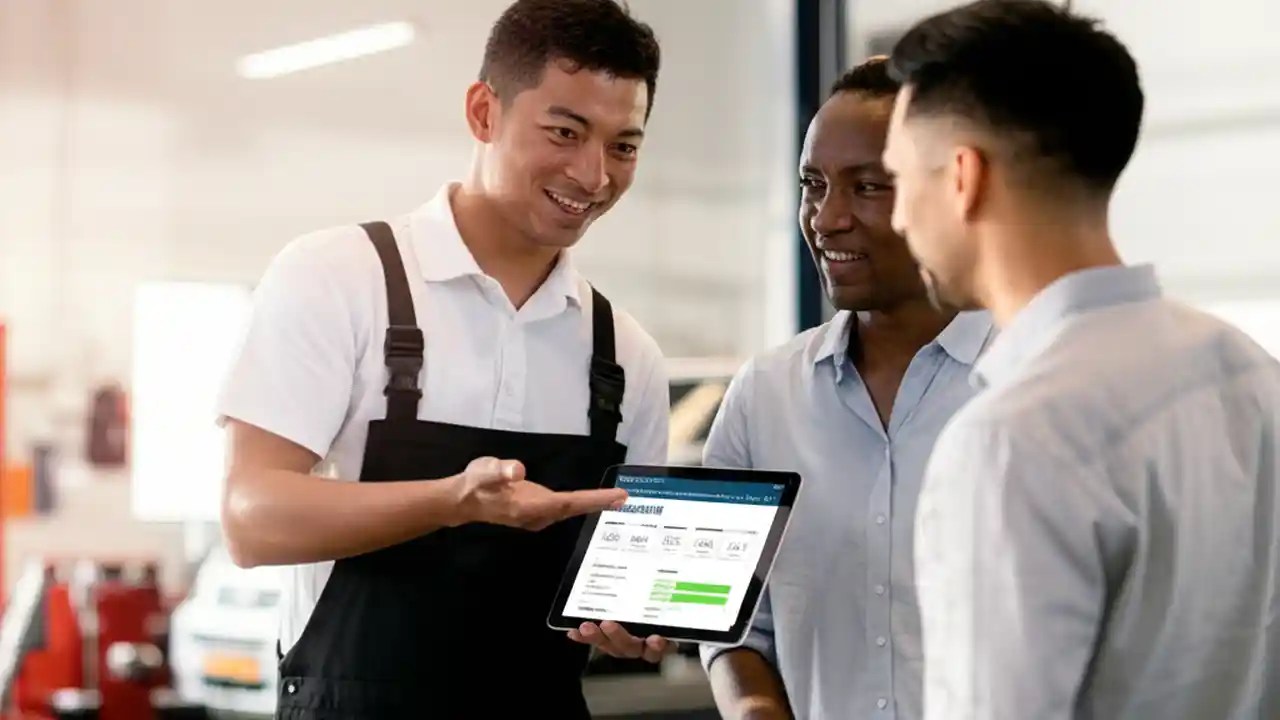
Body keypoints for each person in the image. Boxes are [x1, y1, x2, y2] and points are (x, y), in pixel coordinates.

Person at [214, 1, 668, 717]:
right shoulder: (339, 278)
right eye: (564, 132)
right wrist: (452, 501)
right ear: (485, 112)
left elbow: (620, 573)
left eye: (624, 146)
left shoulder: (625, 355)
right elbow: (251, 519)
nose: (593, 174)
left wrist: (630, 622)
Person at [883, 1, 1280, 718]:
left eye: (898, 179)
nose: (900, 217)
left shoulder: (1013, 439)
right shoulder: (1249, 371)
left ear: (964, 177)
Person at [574, 57, 994, 718]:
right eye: (813, 184)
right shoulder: (765, 395)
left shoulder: (1035, 385)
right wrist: (752, 707)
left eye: (869, 187)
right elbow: (738, 624)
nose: (827, 219)